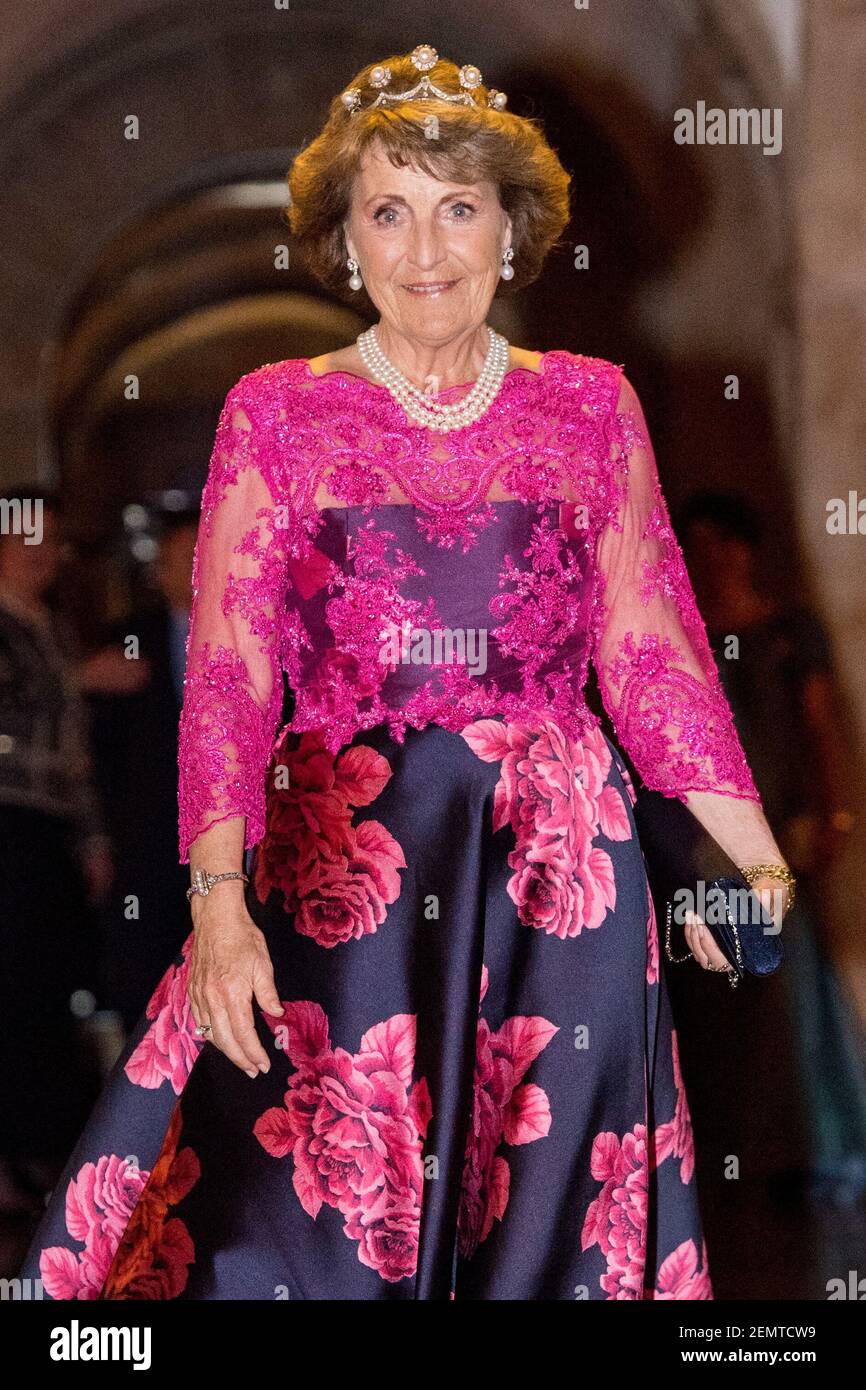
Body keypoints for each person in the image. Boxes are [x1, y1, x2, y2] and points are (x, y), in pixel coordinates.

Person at [19, 44, 794, 1301]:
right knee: (294, 1232)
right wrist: (216, 906)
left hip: (563, 879)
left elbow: (651, 656)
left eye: (456, 208)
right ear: (343, 238)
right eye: (389, 211)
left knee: (544, 1239)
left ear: (509, 226)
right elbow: (226, 679)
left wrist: (752, 861)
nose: (425, 249)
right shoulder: (277, 414)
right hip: (340, 875)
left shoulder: (590, 408)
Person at [674, 491, 866, 1209]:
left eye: (723, 541)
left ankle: (820, 1146)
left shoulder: (789, 630)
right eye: (695, 543)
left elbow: (818, 727)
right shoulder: (678, 633)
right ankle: (713, 1152)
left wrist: (833, 817)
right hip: (698, 844)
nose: (709, 557)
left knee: (792, 987)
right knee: (708, 989)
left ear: (748, 547)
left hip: (778, 834)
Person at [0, 485, 105, 1217]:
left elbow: (77, 750)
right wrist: (79, 679)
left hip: (51, 832)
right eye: (38, 537)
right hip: (5, 824)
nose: (50, 553)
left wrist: (94, 834)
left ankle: (44, 1158)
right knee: (13, 989)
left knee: (50, 989)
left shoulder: (54, 627)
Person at [87, 507, 201, 1029]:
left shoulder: (255, 637)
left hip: (229, 839)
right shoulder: (126, 640)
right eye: (184, 558)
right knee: (148, 980)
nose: (197, 568)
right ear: (159, 571)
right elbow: (97, 750)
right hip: (144, 843)